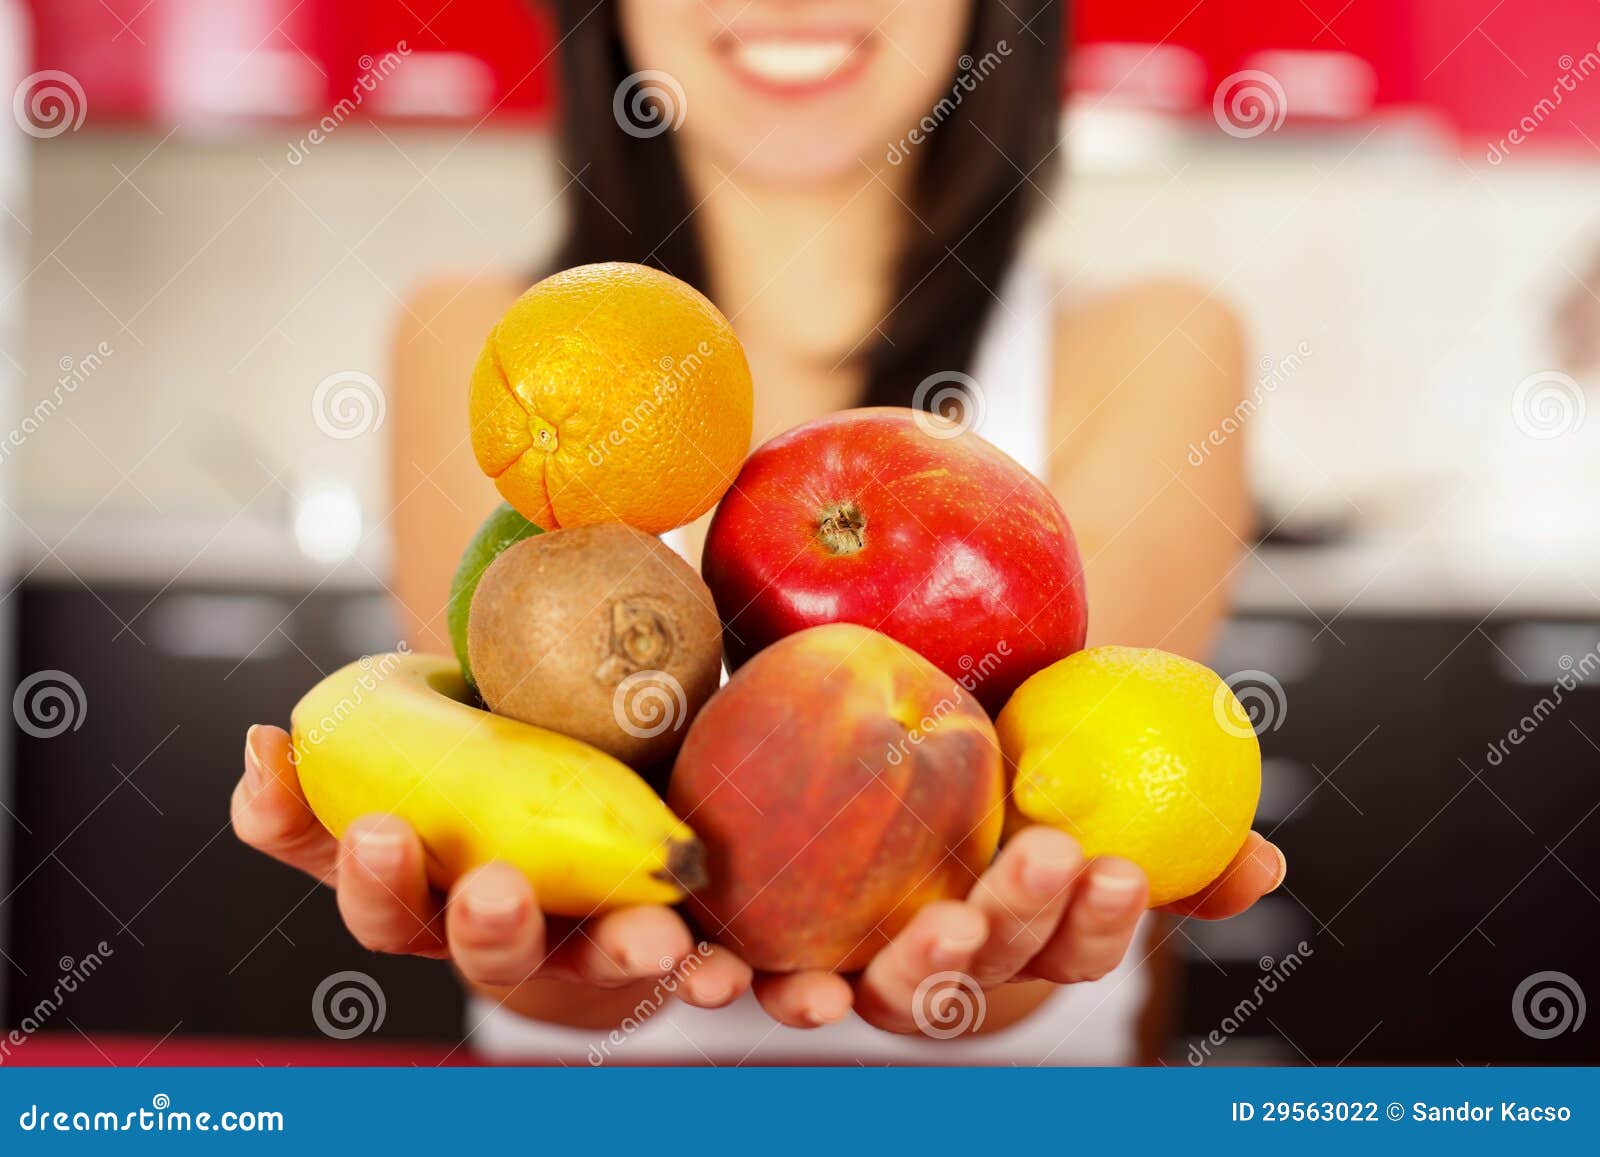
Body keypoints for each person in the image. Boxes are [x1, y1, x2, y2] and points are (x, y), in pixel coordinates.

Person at [231, 0, 1285, 1063]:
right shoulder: (485, 345)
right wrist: (568, 982)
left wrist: (978, 978)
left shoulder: (1157, 347)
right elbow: (509, 809)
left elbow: (1064, 838)